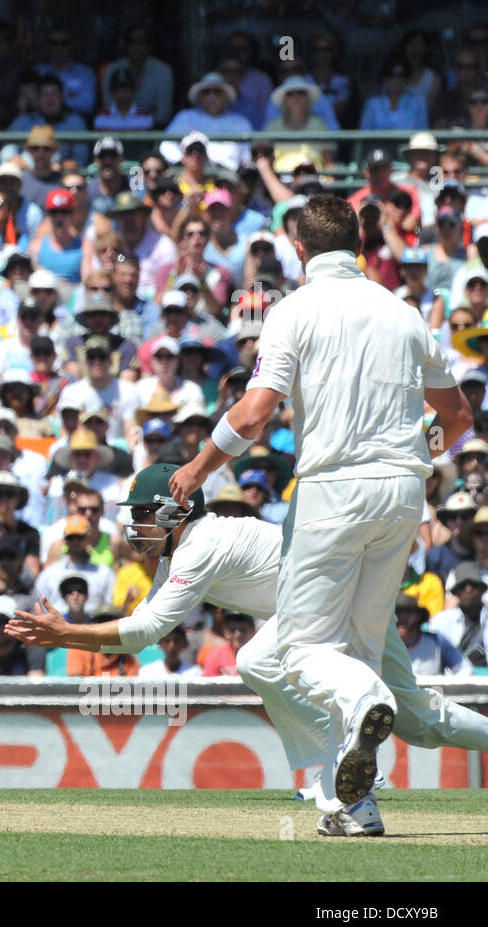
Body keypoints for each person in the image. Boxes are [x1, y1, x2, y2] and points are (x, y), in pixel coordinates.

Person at [168, 195, 475, 830]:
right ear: (360, 245)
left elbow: (253, 415)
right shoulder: (405, 312)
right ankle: (353, 807)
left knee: (303, 650)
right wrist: (423, 448)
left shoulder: (293, 309)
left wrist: (197, 468)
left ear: (300, 251)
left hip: (333, 492)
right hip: (403, 497)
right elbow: (459, 419)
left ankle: (363, 713)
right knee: (354, 649)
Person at [8, 462, 488, 836]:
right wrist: (66, 632)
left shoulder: (200, 545)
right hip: (348, 599)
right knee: (420, 721)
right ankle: (349, 787)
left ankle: (339, 774)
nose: (135, 525)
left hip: (328, 599)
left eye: (143, 513)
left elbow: (144, 632)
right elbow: (143, 623)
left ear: (176, 510)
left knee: (258, 659)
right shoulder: (184, 551)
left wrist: (64, 633)